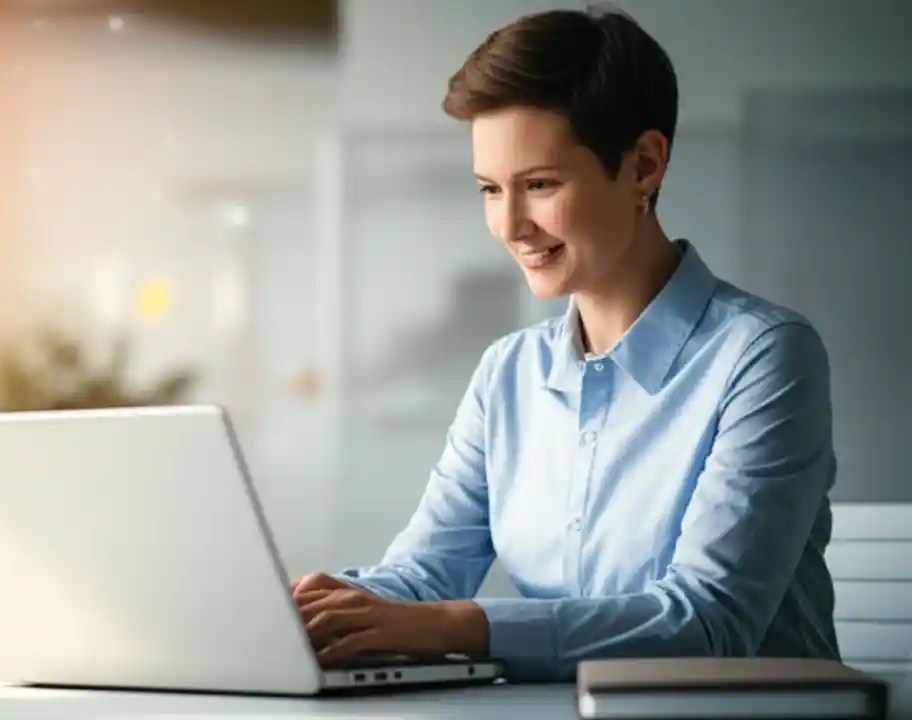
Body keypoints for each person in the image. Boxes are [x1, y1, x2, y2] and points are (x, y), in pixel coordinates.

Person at [291, 7, 840, 682]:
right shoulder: (509, 372)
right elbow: (423, 576)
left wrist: (457, 626)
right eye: (490, 189)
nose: (510, 225)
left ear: (643, 166)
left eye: (539, 185)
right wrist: (302, 608)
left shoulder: (764, 356)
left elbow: (708, 622)